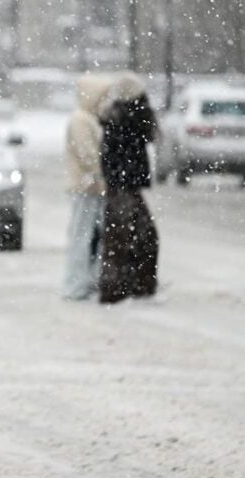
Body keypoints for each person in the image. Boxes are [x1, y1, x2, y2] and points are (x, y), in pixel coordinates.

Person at [98, 72, 160, 304]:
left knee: (130, 238)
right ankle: (122, 288)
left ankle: (127, 287)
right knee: (125, 239)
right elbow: (119, 155)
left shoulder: (124, 118)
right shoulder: (127, 118)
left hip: (124, 186)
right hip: (123, 187)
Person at [62, 73, 113, 300]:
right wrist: (102, 173)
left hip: (92, 186)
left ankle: (88, 280)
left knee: (92, 236)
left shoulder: (88, 118)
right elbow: (88, 155)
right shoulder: (81, 120)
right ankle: (76, 284)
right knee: (82, 236)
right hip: (87, 187)